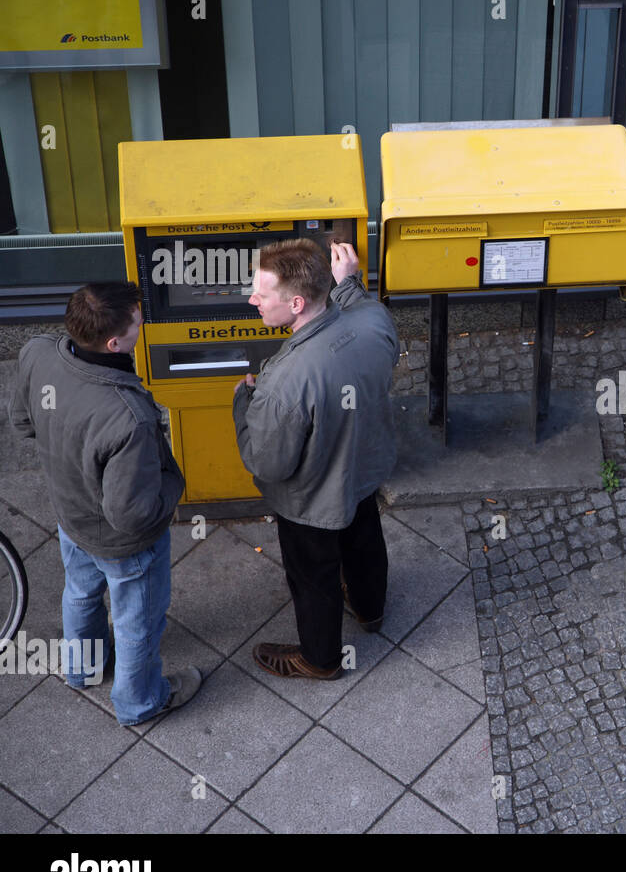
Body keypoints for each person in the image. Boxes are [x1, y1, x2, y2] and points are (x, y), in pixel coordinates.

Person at [8, 281, 202, 724]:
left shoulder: (38, 352)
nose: (142, 323)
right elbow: (130, 514)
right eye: (138, 321)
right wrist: (172, 490)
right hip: (122, 543)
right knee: (138, 622)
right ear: (115, 342)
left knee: (80, 592)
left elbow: (21, 422)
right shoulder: (127, 416)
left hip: (69, 515)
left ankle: (83, 668)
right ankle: (140, 702)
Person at [234, 239, 398, 679]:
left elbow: (268, 464)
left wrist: (243, 404)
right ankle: (369, 610)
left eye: (262, 295)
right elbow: (357, 311)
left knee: (313, 576)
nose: (252, 300)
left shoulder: (286, 381)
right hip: (362, 468)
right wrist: (348, 283)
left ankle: (320, 659)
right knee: (364, 538)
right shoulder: (374, 321)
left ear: (297, 303)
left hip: (311, 500)